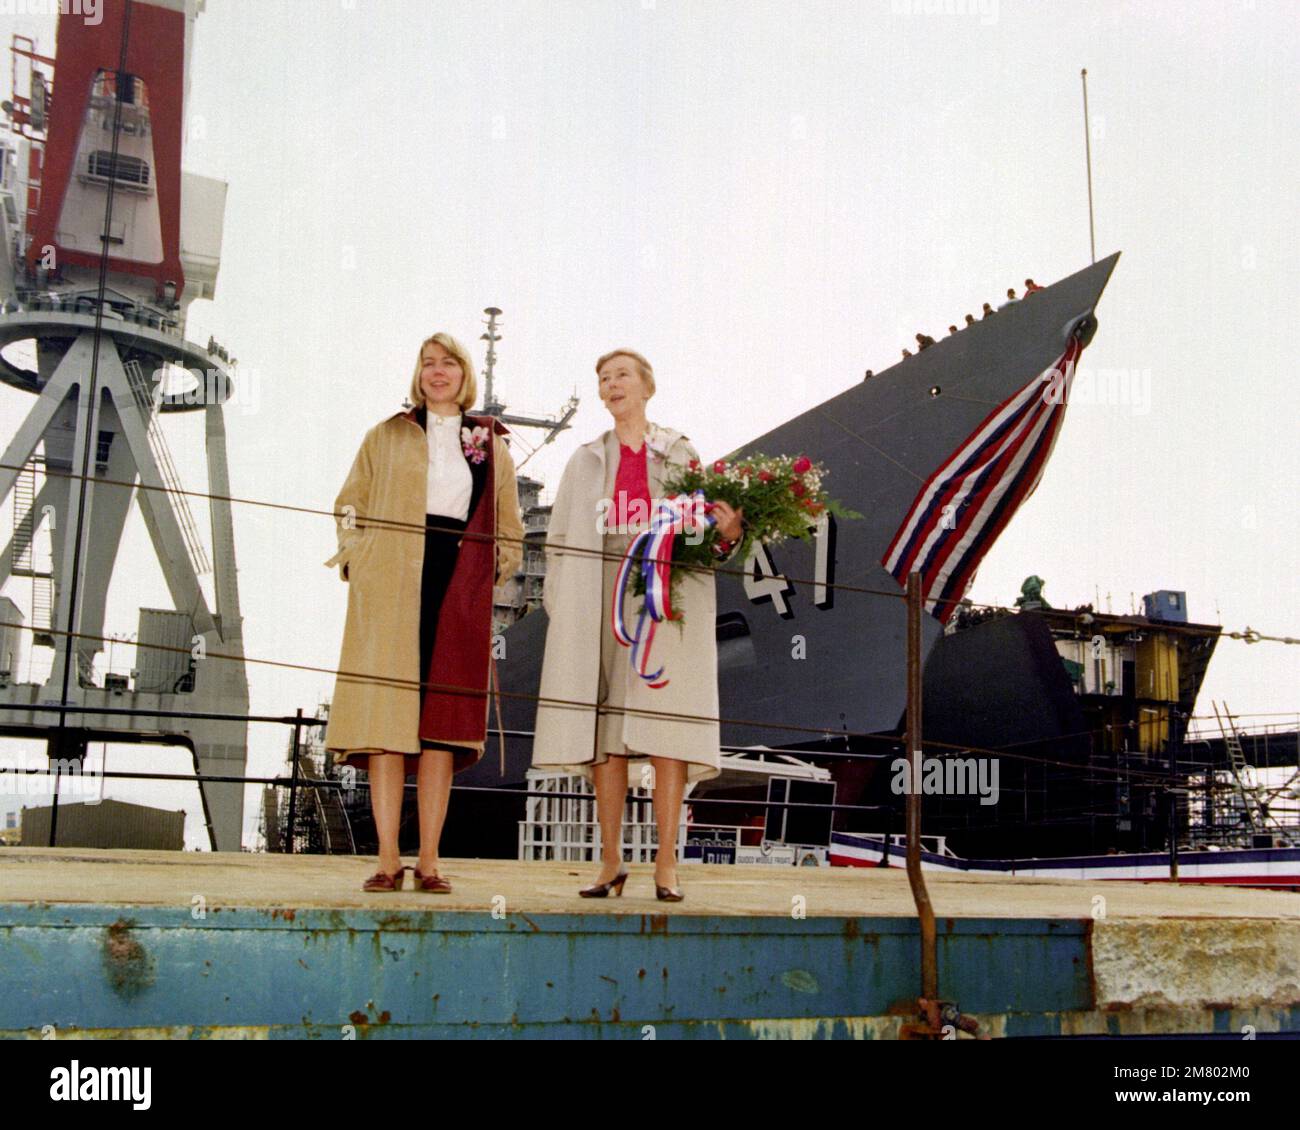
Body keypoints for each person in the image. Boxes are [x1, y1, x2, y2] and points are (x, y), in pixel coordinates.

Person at [532, 349, 743, 901]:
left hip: (660, 599)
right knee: (606, 736)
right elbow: (558, 541)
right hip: (599, 598)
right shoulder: (583, 460)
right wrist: (563, 605)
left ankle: (667, 864)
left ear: (647, 386)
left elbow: (704, 539)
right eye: (603, 378)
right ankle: (610, 863)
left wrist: (729, 533)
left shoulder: (680, 453)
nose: (610, 384)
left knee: (667, 731)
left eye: (621, 374)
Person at [323, 332, 523, 893]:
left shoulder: (491, 444)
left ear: (464, 375)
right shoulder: (384, 435)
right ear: (418, 373)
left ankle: (430, 860)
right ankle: (388, 859)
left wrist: (492, 572)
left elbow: (509, 524)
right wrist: (357, 560)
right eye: (428, 363)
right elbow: (348, 503)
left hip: (458, 581)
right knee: (388, 724)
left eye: (448, 363)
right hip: (391, 581)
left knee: (442, 730)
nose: (438, 372)